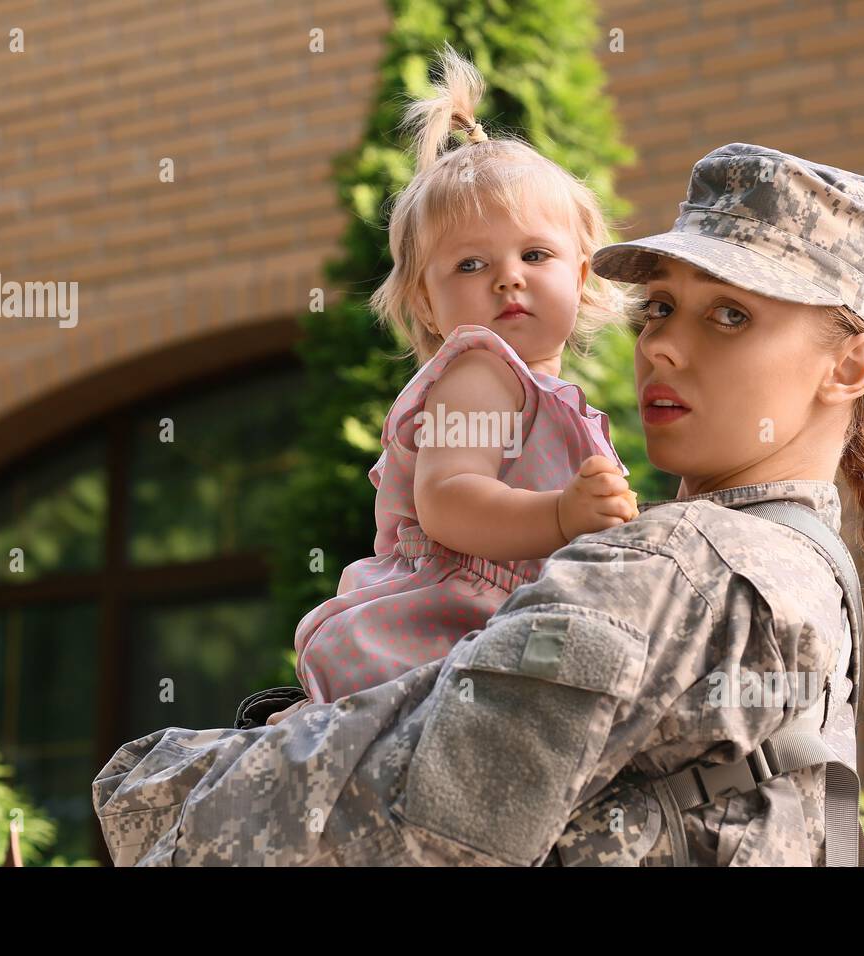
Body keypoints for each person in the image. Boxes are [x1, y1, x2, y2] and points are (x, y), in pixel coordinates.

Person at [93, 140, 864, 867]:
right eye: (659, 308)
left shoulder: (676, 567)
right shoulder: (807, 566)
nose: (663, 347)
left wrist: (153, 786)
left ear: (848, 367)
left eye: (728, 315)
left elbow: (414, 820)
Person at [241, 44, 637, 721]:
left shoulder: (549, 396)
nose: (508, 276)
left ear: (580, 273)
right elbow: (449, 501)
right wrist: (562, 517)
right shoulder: (478, 370)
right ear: (425, 304)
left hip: (507, 624)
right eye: (471, 265)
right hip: (446, 621)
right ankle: (310, 728)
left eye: (535, 254)